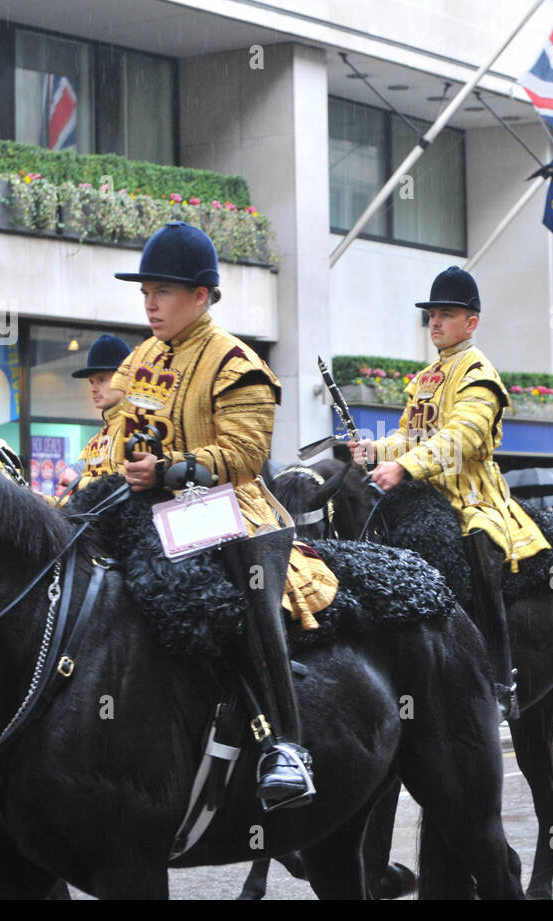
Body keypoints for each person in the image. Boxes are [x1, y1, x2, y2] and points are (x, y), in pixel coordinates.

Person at [111, 221, 336, 810]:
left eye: (161, 291)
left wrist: (170, 471)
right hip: (140, 503)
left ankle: (286, 746)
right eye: (145, 292)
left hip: (223, 507)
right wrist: (124, 463)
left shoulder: (238, 362)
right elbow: (115, 432)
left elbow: (243, 454)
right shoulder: (138, 360)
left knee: (243, 587)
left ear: (201, 296)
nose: (149, 303)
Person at [349, 266, 550, 720]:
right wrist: (375, 448)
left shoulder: (479, 373)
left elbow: (462, 437)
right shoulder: (424, 379)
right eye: (432, 315)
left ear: (471, 322)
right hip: (424, 491)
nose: (435, 323)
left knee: (480, 544)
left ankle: (500, 678)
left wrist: (403, 466)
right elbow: (409, 435)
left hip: (473, 497)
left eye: (446, 314)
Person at [53, 333, 131, 502]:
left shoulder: (135, 428)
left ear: (125, 378)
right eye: (91, 382)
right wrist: (45, 503)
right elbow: (79, 502)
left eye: (101, 380)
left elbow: (126, 487)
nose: (93, 389)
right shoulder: (94, 441)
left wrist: (79, 482)